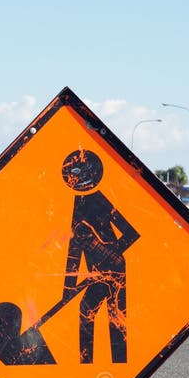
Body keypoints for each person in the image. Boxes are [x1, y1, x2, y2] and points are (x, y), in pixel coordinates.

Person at [61, 149, 140, 364]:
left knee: (115, 318)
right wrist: (67, 290)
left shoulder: (99, 200)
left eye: (75, 174)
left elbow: (132, 233)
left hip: (115, 270)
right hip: (97, 273)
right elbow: (74, 249)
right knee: (87, 312)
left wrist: (110, 251)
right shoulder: (78, 203)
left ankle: (117, 367)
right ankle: (87, 365)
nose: (72, 178)